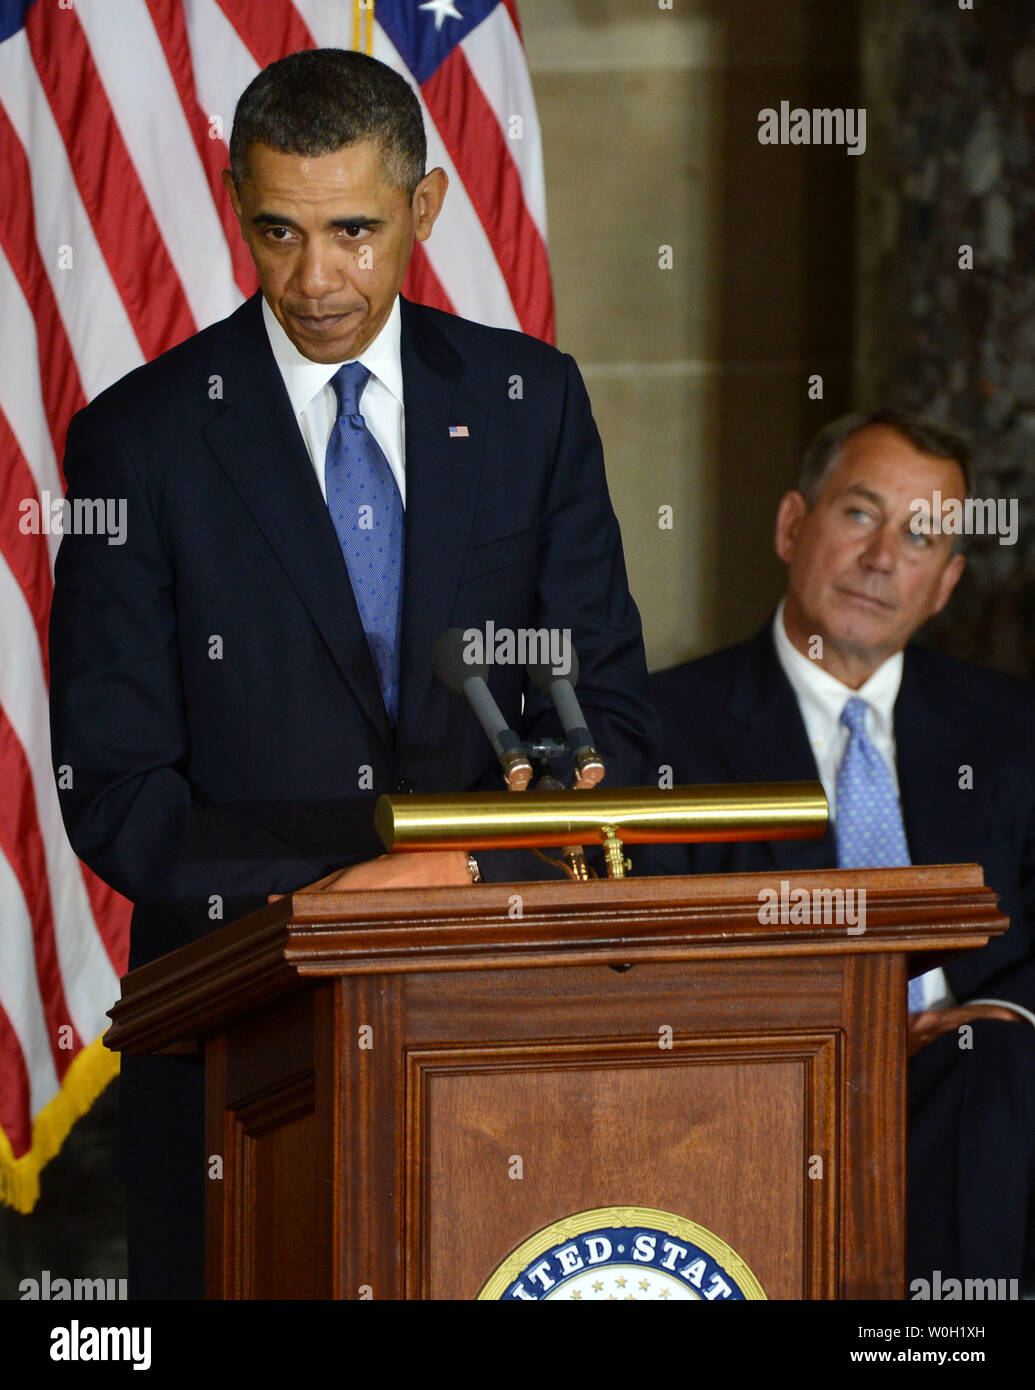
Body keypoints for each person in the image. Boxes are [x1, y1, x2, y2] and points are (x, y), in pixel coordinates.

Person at [48, 49, 654, 1298]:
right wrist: (354, 889)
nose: (315, 278)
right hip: (235, 1046)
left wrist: (467, 869)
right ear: (235, 201)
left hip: (492, 1029)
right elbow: (113, 788)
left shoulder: (531, 402)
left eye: (353, 231)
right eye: (277, 230)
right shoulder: (137, 439)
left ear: (425, 209)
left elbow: (615, 730)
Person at [647, 410, 1035, 1287]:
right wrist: (854, 1039)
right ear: (793, 526)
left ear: (945, 583)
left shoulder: (1009, 728)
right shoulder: (665, 728)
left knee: (989, 1067)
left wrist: (997, 1022)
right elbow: (650, 967)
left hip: (994, 1084)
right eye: (860, 515)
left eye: (921, 536)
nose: (882, 557)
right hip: (778, 1097)